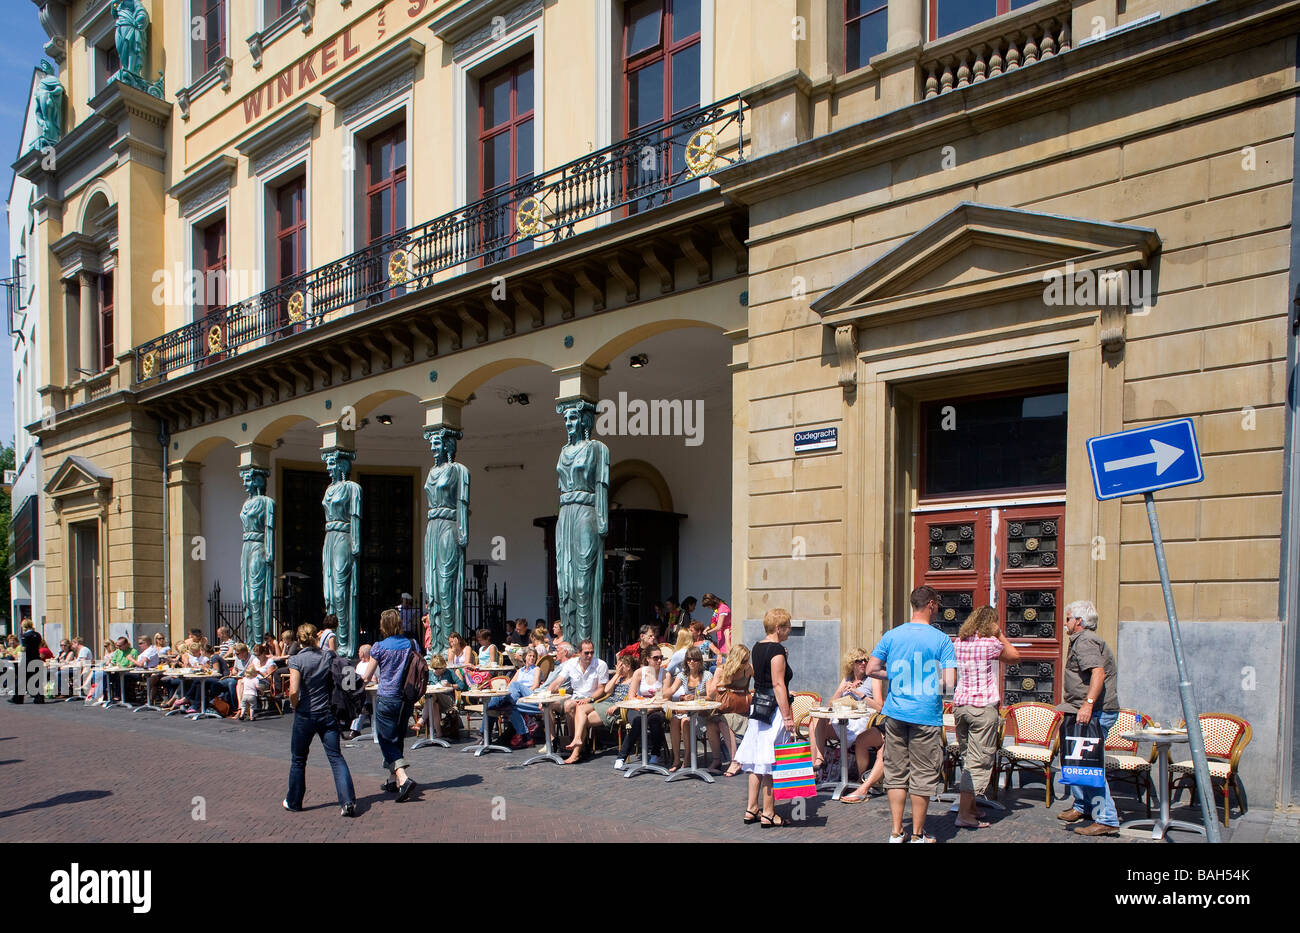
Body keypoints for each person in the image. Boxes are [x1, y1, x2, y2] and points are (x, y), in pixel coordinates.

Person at [865, 586, 957, 843]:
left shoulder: (892, 635)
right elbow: (949, 683)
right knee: (923, 773)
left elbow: (872, 668)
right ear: (930, 604)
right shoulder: (941, 639)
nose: (937, 607)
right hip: (926, 714)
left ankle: (896, 832)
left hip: (896, 713)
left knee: (895, 772)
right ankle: (917, 835)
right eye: (936, 603)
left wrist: (896, 675)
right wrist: (925, 679)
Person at [1057, 599, 1121, 837]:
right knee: (1078, 761)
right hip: (1082, 710)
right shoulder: (1082, 641)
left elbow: (1098, 673)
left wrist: (1088, 705)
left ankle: (1107, 818)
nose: (1065, 623)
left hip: (1094, 712)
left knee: (1089, 765)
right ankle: (1083, 806)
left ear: (1079, 621)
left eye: (1068, 619)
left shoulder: (1085, 641)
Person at [952, 606, 1019, 828]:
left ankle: (970, 807)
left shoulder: (959, 642)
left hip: (961, 706)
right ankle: (963, 814)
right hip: (982, 707)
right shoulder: (990, 643)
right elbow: (1014, 656)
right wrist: (999, 633)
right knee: (978, 761)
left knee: (967, 757)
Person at [285, 623, 357, 817]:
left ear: (299, 640)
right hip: (327, 713)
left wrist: (294, 704)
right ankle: (348, 801)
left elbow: (293, 690)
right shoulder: (327, 656)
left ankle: (294, 801)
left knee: (299, 760)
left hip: (305, 714)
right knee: (336, 757)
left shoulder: (296, 660)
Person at [735, 608, 796, 827]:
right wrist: (788, 717)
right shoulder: (777, 649)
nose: (790, 629)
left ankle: (751, 808)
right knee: (771, 759)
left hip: (758, 708)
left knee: (756, 758)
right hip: (774, 710)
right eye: (788, 626)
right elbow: (778, 684)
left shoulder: (757, 647)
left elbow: (762, 676)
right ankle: (769, 812)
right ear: (779, 628)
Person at [810, 649, 886, 803]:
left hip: (864, 721)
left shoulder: (873, 679)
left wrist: (859, 693)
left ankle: (859, 779)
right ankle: (818, 760)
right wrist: (843, 690)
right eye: (859, 661)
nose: (863, 663)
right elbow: (831, 703)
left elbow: (879, 706)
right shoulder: (847, 678)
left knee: (861, 741)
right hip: (843, 721)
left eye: (865, 660)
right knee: (815, 720)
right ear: (852, 664)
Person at [371, 609, 417, 801]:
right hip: (405, 697)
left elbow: (368, 674)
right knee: (397, 737)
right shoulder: (411, 644)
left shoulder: (379, 647)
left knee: (385, 739)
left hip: (386, 696)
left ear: (383, 625)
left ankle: (402, 777)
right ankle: (392, 780)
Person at [664, 646, 724, 773]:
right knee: (674, 721)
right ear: (686, 661)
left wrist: (696, 698)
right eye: (689, 659)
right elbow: (670, 691)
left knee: (685, 721)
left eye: (695, 659)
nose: (692, 662)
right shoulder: (682, 675)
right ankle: (676, 759)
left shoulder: (706, 675)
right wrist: (666, 682)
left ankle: (687, 759)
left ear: (700, 661)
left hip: (701, 713)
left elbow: (710, 696)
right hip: (688, 711)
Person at [614, 645, 669, 770]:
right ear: (648, 659)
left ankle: (655, 753)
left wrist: (652, 705)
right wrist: (644, 705)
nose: (659, 661)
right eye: (656, 658)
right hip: (638, 708)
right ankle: (621, 756)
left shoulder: (665, 675)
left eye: (661, 658)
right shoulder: (639, 673)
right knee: (638, 721)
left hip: (656, 708)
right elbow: (631, 696)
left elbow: (664, 698)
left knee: (655, 720)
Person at [550, 638, 609, 747]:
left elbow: (602, 689)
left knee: (569, 705)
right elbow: (558, 682)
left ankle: (574, 740)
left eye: (592, 652)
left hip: (592, 700)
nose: (590, 655)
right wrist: (546, 695)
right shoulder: (571, 664)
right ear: (579, 653)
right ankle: (552, 740)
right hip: (574, 697)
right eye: (586, 653)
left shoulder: (601, 665)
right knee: (547, 705)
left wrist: (588, 699)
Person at [707, 643, 752, 778]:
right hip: (725, 710)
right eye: (743, 660)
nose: (746, 663)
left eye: (747, 660)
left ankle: (735, 761)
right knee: (711, 723)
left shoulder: (748, 669)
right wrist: (724, 681)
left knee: (723, 722)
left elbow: (763, 683)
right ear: (736, 659)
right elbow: (710, 694)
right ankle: (717, 760)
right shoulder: (721, 670)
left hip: (742, 711)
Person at [9, 620, 45, 704]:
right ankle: (39, 698)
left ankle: (17, 698)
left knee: (21, 679)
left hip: (28, 659)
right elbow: (39, 646)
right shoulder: (38, 635)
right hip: (36, 657)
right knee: (36, 679)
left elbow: (24, 648)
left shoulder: (25, 636)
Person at [701, 593, 732, 657]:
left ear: (712, 603)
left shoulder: (723, 608)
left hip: (726, 635)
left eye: (708, 606)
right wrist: (707, 628)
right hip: (721, 636)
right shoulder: (717, 609)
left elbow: (718, 626)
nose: (709, 608)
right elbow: (714, 623)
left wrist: (708, 632)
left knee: (727, 655)